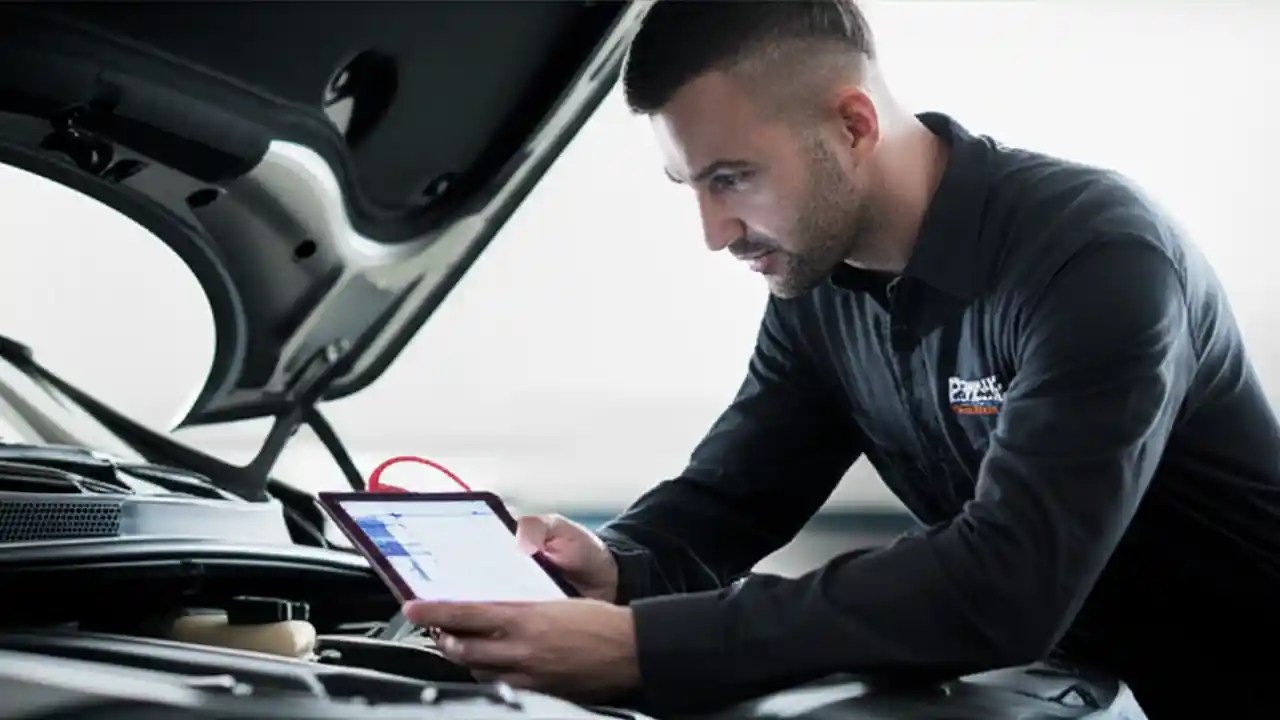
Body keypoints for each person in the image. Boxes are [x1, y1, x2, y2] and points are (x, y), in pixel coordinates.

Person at [402, 1, 1280, 716]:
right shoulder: (817, 283)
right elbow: (727, 501)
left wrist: (644, 648)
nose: (714, 234)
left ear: (853, 123)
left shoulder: (1096, 258)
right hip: (1080, 690)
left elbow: (1006, 584)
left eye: (732, 178)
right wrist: (613, 565)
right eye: (694, 185)